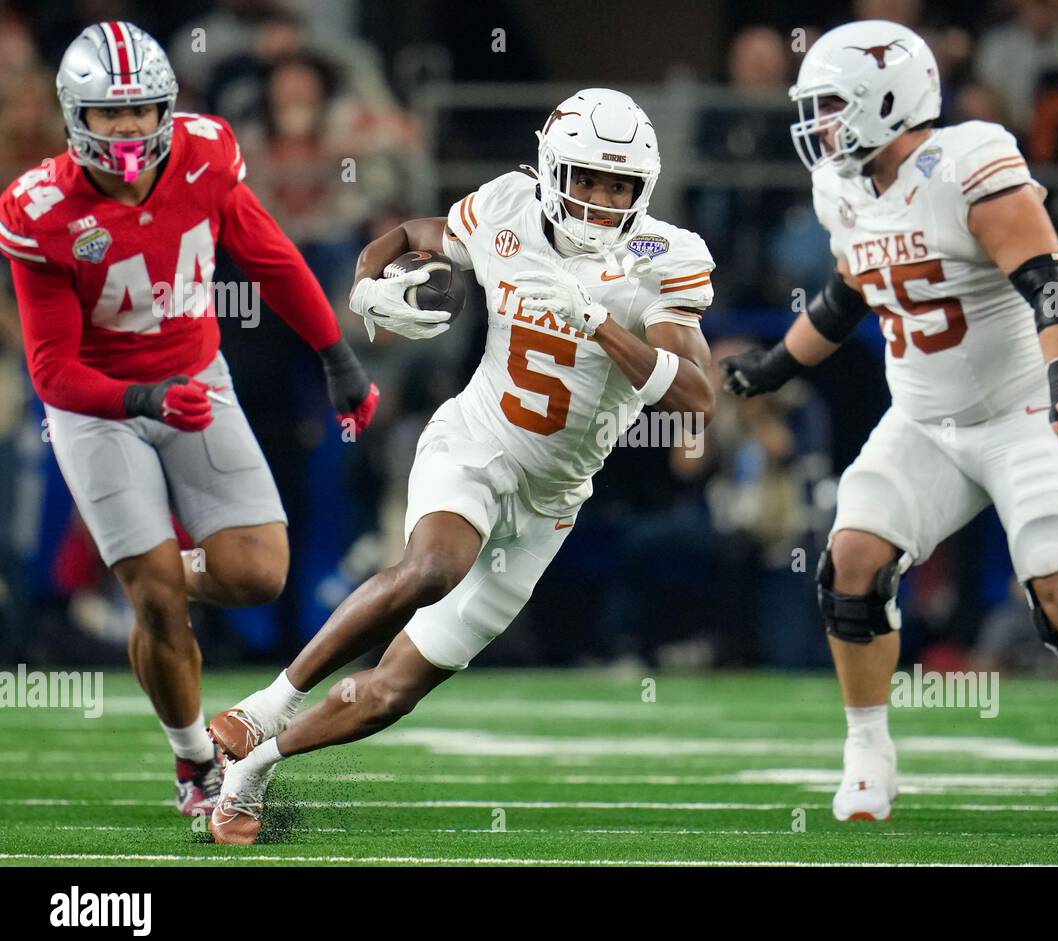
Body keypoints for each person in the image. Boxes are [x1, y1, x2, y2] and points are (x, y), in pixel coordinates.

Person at [205, 89, 717, 844]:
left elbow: (698, 392)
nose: (605, 199)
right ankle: (267, 704)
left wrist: (599, 321)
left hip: (553, 500)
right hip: (477, 441)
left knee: (393, 692)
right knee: (434, 567)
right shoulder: (508, 208)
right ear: (550, 171)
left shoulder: (663, 258)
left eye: (620, 185)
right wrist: (369, 280)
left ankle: (252, 770)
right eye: (589, 179)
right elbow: (412, 231)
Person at [721, 20, 1058, 823]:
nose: (821, 125)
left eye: (834, 105)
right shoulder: (843, 186)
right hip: (925, 421)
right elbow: (847, 294)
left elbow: (1051, 284)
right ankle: (868, 752)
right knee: (852, 564)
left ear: (889, 98)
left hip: (1022, 412)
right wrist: (773, 368)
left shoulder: (964, 162)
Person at [0, 22, 380, 816]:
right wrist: (139, 400)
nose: (132, 129)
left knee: (258, 574)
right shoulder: (41, 208)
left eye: (145, 111)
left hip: (196, 379)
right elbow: (52, 372)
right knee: (160, 604)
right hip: (98, 406)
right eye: (112, 115)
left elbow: (271, 254)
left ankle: (157, 572)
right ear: (78, 117)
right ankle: (193, 761)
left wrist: (335, 355)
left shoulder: (206, 154)